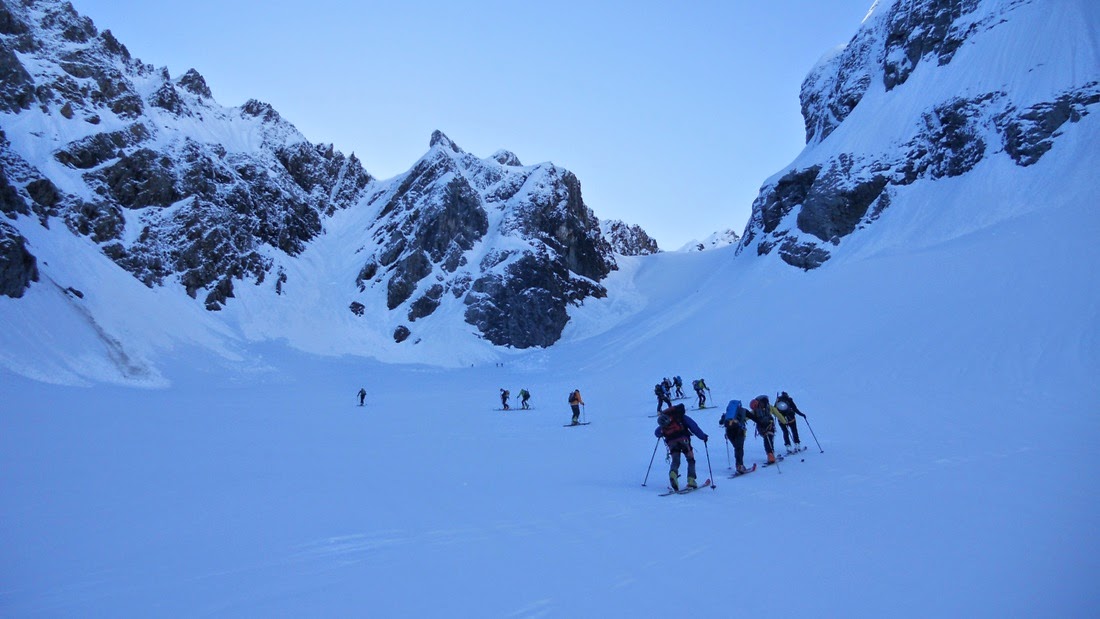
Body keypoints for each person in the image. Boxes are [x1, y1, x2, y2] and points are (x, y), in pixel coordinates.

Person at [654, 403, 708, 490]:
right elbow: (694, 427)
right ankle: (691, 480)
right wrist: (703, 437)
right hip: (684, 441)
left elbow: (657, 433)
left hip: (672, 443)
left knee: (675, 460)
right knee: (690, 460)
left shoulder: (666, 419)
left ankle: (673, 474)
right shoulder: (681, 417)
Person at [748, 394, 781, 464]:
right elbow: (777, 414)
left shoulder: (757, 410)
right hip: (765, 427)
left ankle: (770, 455)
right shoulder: (769, 407)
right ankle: (771, 455)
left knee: (768, 440)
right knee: (768, 440)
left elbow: (748, 416)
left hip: (766, 427)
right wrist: (785, 422)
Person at [720, 399, 750, 474]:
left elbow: (720, 422)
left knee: (737, 448)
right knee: (739, 448)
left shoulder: (727, 414)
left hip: (729, 433)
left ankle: (738, 465)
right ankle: (740, 465)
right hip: (739, 431)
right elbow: (752, 417)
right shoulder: (743, 411)